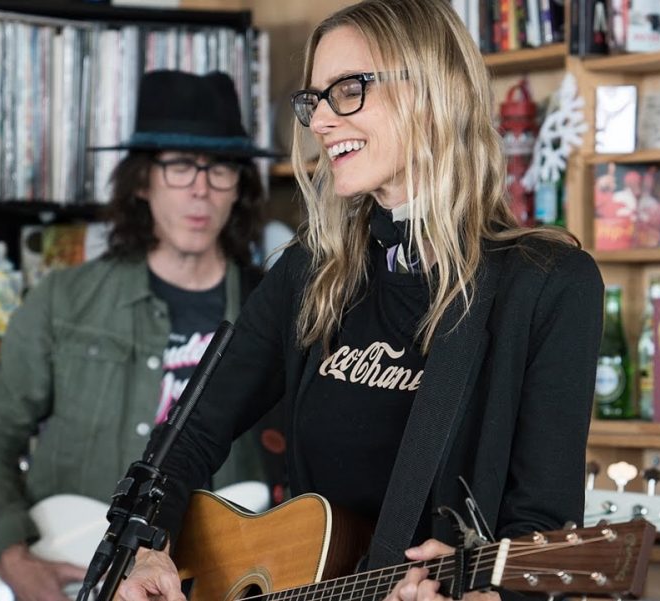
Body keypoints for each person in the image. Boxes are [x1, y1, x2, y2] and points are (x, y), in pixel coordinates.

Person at [118, 1, 605, 600]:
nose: (320, 121)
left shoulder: (548, 282)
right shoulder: (310, 272)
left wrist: (489, 595)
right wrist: (143, 548)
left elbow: (544, 531)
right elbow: (189, 435)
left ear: (434, 90)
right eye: (315, 99)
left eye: (347, 90)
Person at [0, 70, 278, 601]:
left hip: (212, 578)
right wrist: (14, 560)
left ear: (239, 186)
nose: (200, 189)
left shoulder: (272, 309)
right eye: (179, 167)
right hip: (72, 570)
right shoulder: (63, 301)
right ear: (141, 181)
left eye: (220, 168)